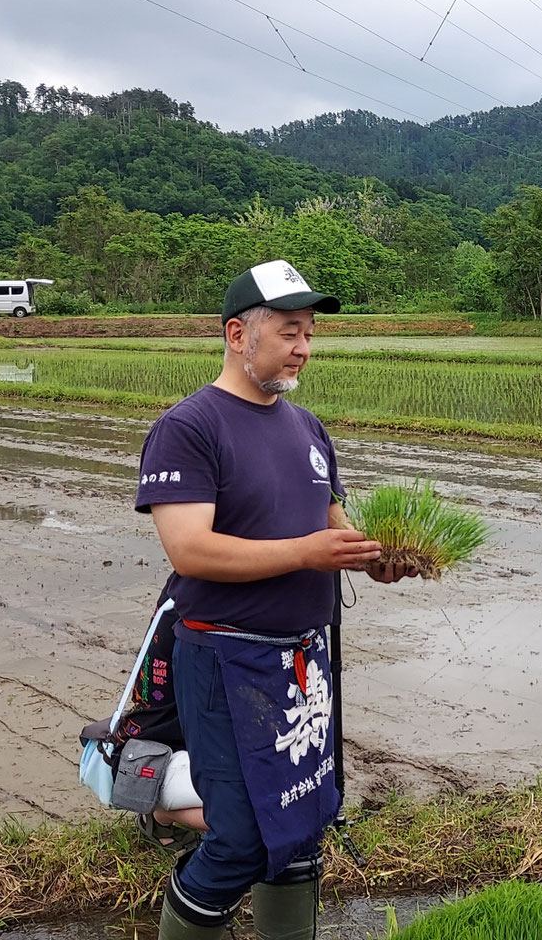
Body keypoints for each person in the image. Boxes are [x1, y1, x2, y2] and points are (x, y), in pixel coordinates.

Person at [137, 259, 413, 940]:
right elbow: (190, 550)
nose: (304, 347)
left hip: (301, 663)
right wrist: (304, 554)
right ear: (238, 334)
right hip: (225, 661)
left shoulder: (307, 428)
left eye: (310, 332)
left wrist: (375, 556)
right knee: (239, 841)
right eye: (290, 330)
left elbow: (333, 524)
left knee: (300, 827)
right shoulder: (190, 426)